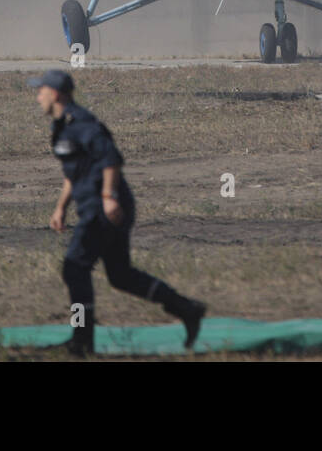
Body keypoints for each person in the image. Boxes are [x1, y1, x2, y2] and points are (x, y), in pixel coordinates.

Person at [32, 70, 206, 357]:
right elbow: (72, 173)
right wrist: (60, 207)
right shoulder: (60, 127)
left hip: (105, 209)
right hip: (95, 207)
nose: (37, 96)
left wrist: (109, 198)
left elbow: (111, 160)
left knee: (75, 268)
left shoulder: (83, 124)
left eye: (42, 91)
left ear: (57, 94)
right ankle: (186, 309)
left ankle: (82, 342)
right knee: (120, 275)